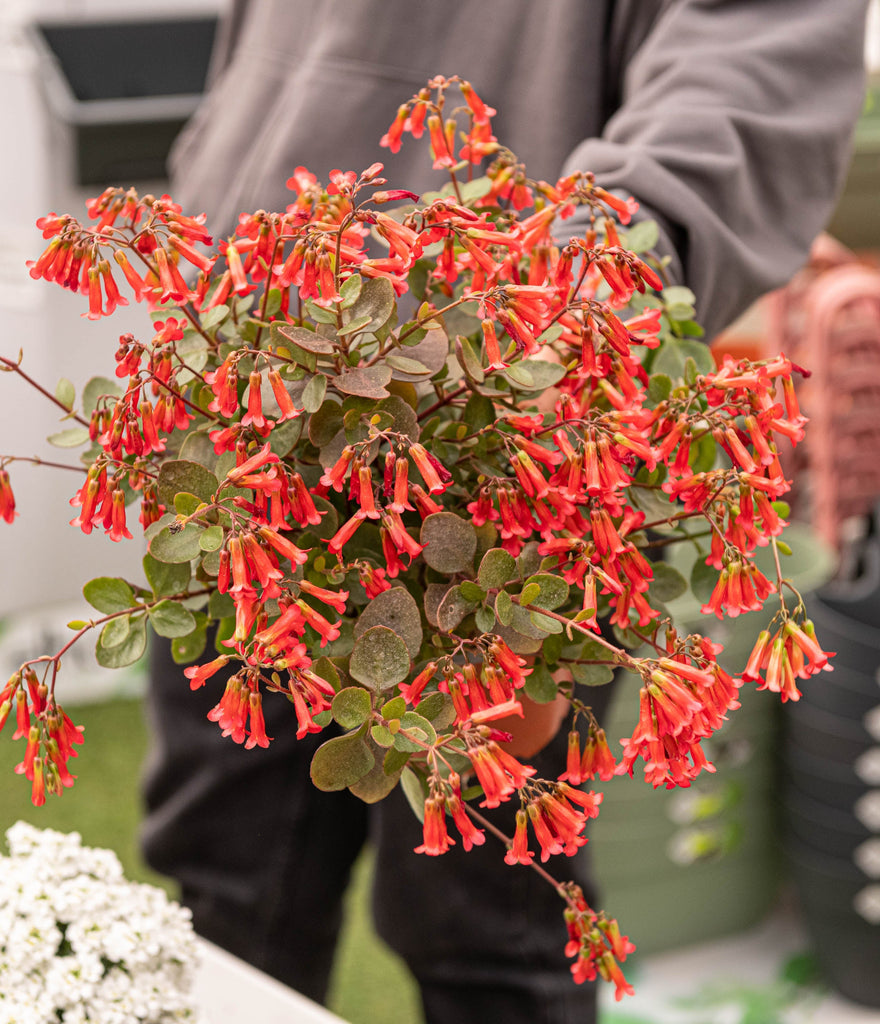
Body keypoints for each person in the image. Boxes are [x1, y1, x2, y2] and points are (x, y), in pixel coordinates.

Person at [142, 3, 870, 1022]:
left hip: (519, 432)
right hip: (253, 395)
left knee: (485, 918)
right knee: (221, 868)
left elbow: (747, 72)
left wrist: (579, 280)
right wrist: (220, 198)